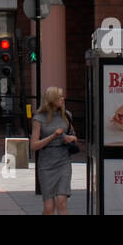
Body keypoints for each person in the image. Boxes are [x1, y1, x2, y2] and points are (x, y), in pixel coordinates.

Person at [30, 86, 77, 215]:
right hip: (46, 164)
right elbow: (33, 145)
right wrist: (53, 136)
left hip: (63, 161)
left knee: (62, 201)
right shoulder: (39, 118)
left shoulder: (66, 115)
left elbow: (74, 136)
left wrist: (70, 138)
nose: (63, 99)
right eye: (59, 97)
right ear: (51, 99)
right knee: (49, 208)